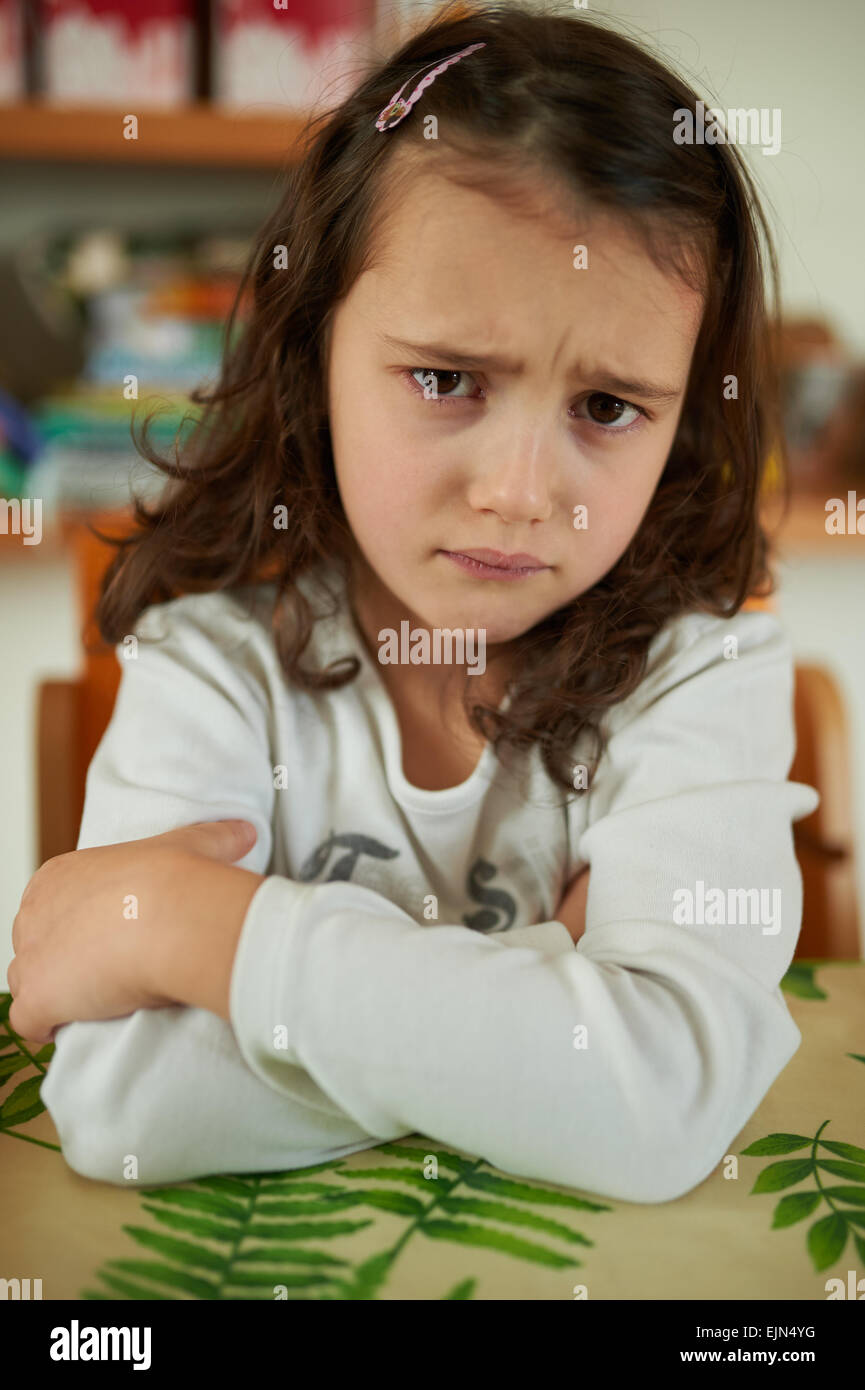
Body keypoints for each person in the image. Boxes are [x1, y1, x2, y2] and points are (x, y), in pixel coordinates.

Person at [15, 2, 818, 1203]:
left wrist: (200, 932)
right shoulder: (209, 666)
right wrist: (553, 996)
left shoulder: (702, 679)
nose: (517, 493)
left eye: (607, 407)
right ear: (314, 352)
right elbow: (126, 1099)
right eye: (445, 378)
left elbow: (663, 1104)